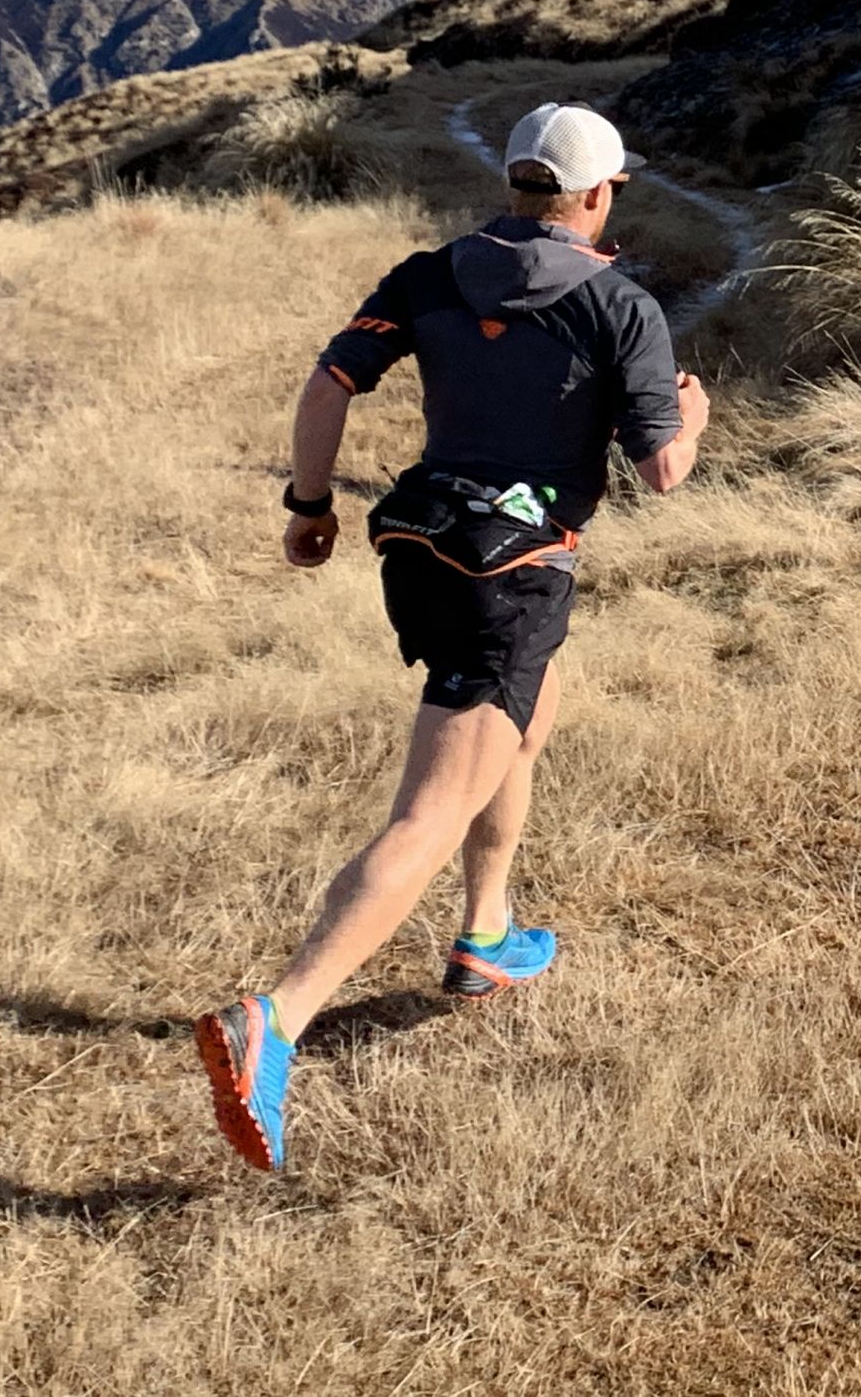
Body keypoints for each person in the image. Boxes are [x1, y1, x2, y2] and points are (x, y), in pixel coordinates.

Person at [193, 103, 711, 1174]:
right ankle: (275, 1021)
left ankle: (487, 935)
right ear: (601, 195)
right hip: (511, 574)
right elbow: (663, 472)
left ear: (517, 184)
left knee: (523, 723)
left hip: (421, 548)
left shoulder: (428, 275)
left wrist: (308, 505)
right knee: (431, 809)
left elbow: (330, 381)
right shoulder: (622, 307)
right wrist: (693, 418)